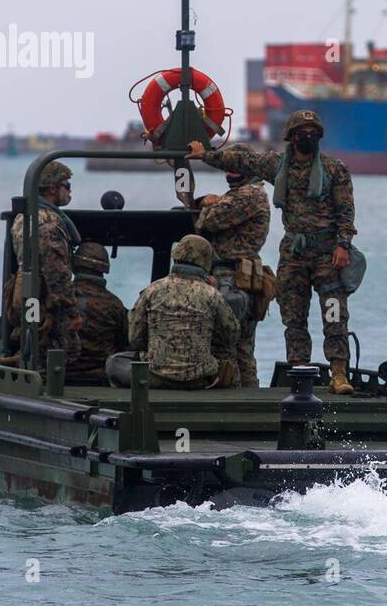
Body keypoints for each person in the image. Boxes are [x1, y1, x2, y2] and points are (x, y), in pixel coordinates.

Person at [187, 109, 358, 393]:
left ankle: (339, 374)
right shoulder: (277, 166)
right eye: (302, 133)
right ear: (291, 137)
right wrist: (204, 154)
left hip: (328, 251)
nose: (308, 137)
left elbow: (346, 210)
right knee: (293, 315)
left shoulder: (334, 169)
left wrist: (343, 245)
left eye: (313, 133)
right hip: (293, 251)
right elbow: (242, 159)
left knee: (334, 313)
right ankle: (300, 370)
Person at [107, 235, 238, 391]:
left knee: (114, 362)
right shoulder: (212, 295)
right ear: (205, 262)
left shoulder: (152, 290)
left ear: (176, 255)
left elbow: (135, 338)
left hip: (155, 376)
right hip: (200, 379)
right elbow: (231, 335)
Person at [194, 143, 271, 388]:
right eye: (226, 168)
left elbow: (209, 222)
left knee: (226, 345)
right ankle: (248, 395)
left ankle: (233, 395)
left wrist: (207, 206)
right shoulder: (244, 194)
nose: (228, 173)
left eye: (233, 167)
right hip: (241, 277)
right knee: (243, 348)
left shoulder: (250, 195)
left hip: (232, 278)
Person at [7, 160, 82, 368]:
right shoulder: (48, 222)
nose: (69, 193)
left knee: (36, 347)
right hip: (46, 300)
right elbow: (56, 272)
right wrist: (72, 312)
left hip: (30, 297)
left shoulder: (24, 217)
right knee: (63, 353)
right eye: (67, 186)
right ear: (52, 189)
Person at [65, 241, 128, 383]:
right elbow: (122, 344)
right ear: (104, 270)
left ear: (74, 266)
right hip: (101, 378)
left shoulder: (61, 299)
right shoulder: (115, 305)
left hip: (60, 374)